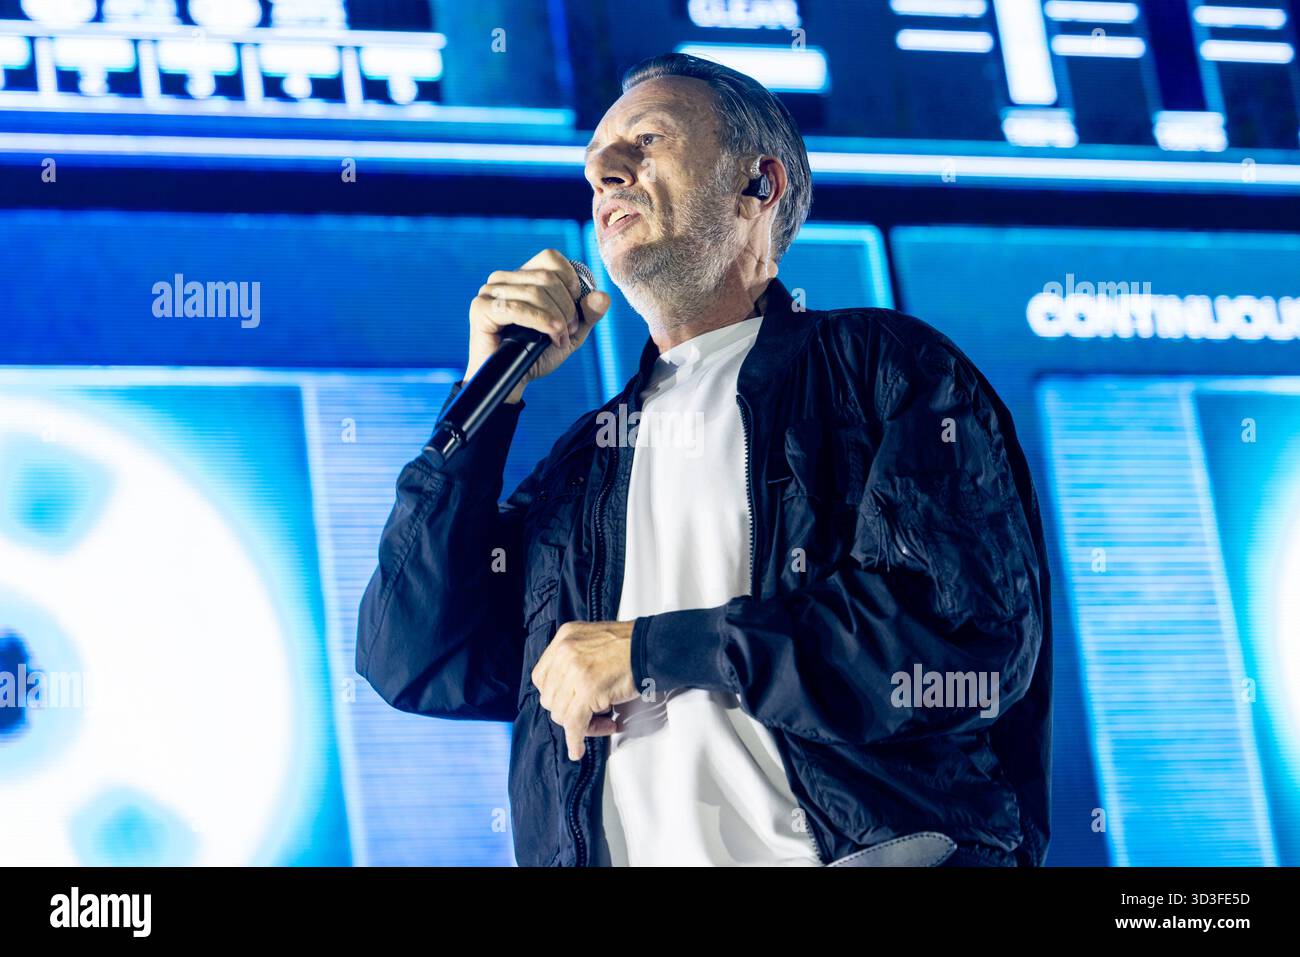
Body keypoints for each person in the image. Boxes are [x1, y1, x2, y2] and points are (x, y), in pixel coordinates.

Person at [356, 52, 1052, 867]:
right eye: (595, 167)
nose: (605, 171)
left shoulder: (879, 368)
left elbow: (961, 640)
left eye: (645, 141)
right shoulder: (587, 467)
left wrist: (653, 652)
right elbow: (412, 655)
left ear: (758, 185)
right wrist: (488, 394)